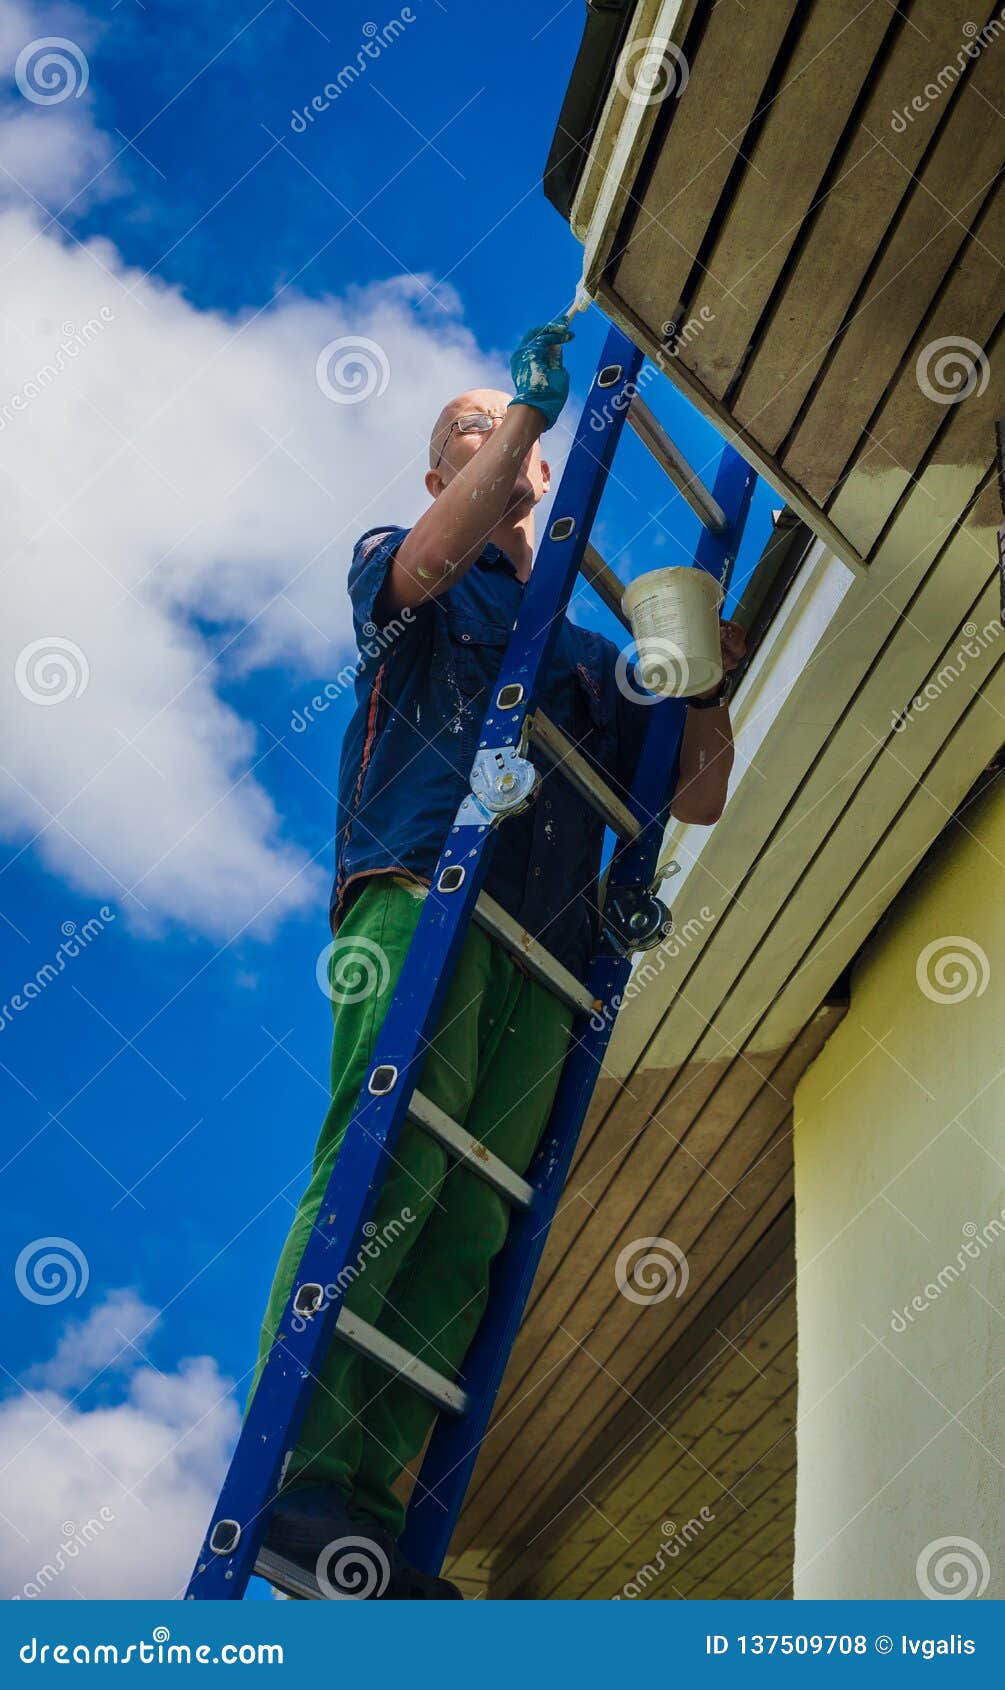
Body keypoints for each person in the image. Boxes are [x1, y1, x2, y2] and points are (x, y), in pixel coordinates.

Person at [252, 318, 746, 1598]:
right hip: (418, 888)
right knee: (392, 1160)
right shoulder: (399, 561)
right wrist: (526, 422)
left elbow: (694, 799)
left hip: (546, 951)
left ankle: (362, 1519)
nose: (499, 441)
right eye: (466, 433)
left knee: (473, 1218)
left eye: (503, 427)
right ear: (441, 474)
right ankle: (295, 1482)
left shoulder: (589, 654)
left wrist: (705, 680)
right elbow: (425, 561)